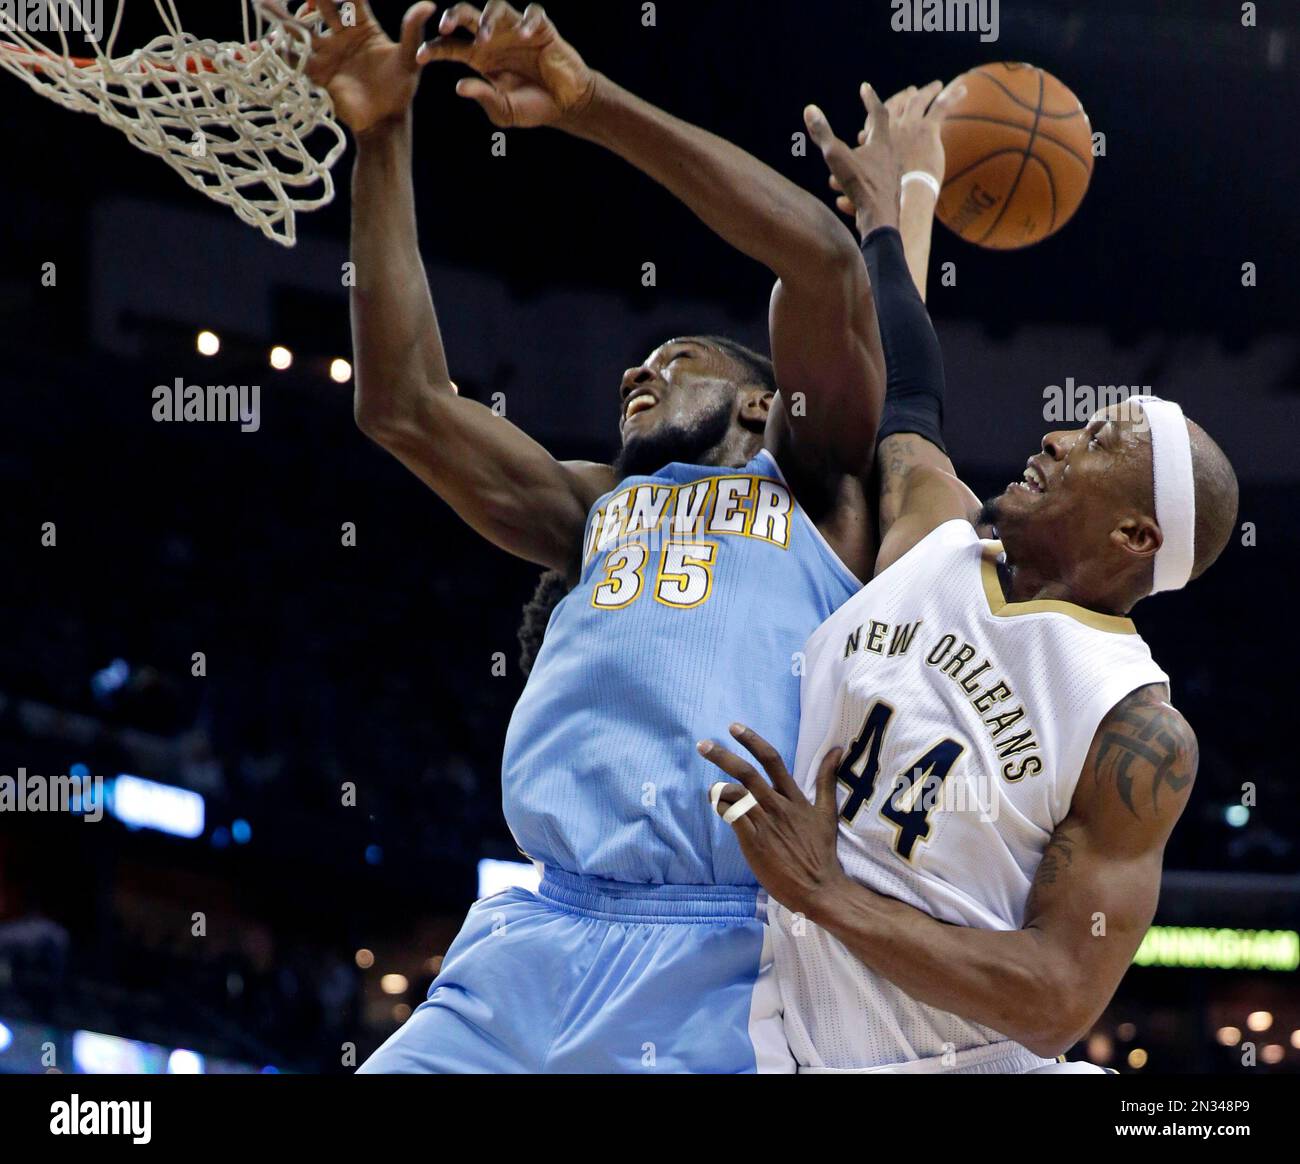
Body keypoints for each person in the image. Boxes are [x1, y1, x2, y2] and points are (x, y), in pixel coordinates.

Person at [296, 0, 924, 1071]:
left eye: (677, 356)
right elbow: (399, 403)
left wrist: (591, 106)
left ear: (763, 405)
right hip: (529, 939)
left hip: (724, 954)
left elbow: (819, 263)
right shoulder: (594, 509)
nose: (636, 372)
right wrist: (382, 134)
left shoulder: (822, 488)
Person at [700, 93, 1238, 1073]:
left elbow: (1055, 998)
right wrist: (897, 200)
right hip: (779, 1039)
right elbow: (906, 381)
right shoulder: (934, 533)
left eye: (1096, 441)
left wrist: (825, 890)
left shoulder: (1135, 729)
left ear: (1133, 531)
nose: (1055, 435)